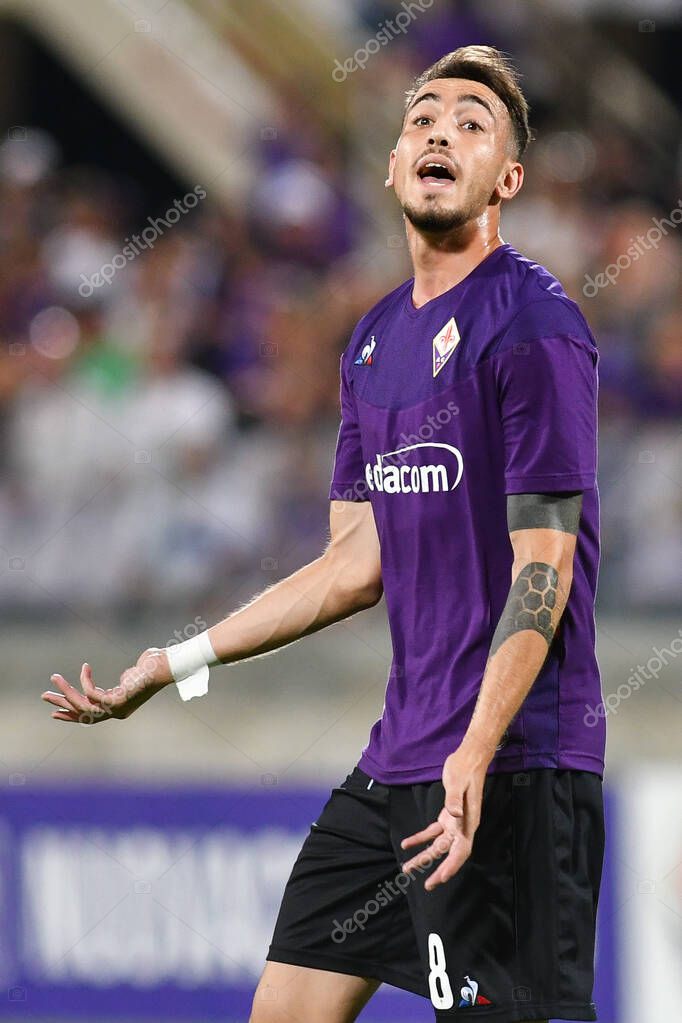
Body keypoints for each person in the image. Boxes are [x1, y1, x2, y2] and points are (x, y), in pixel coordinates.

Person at [41, 46, 606, 1023]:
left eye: (473, 123)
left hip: (509, 768)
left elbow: (544, 565)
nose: (440, 131)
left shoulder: (534, 323)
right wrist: (175, 661)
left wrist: (474, 751)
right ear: (391, 166)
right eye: (423, 118)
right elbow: (353, 567)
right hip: (399, 765)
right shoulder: (374, 344)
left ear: (507, 180)